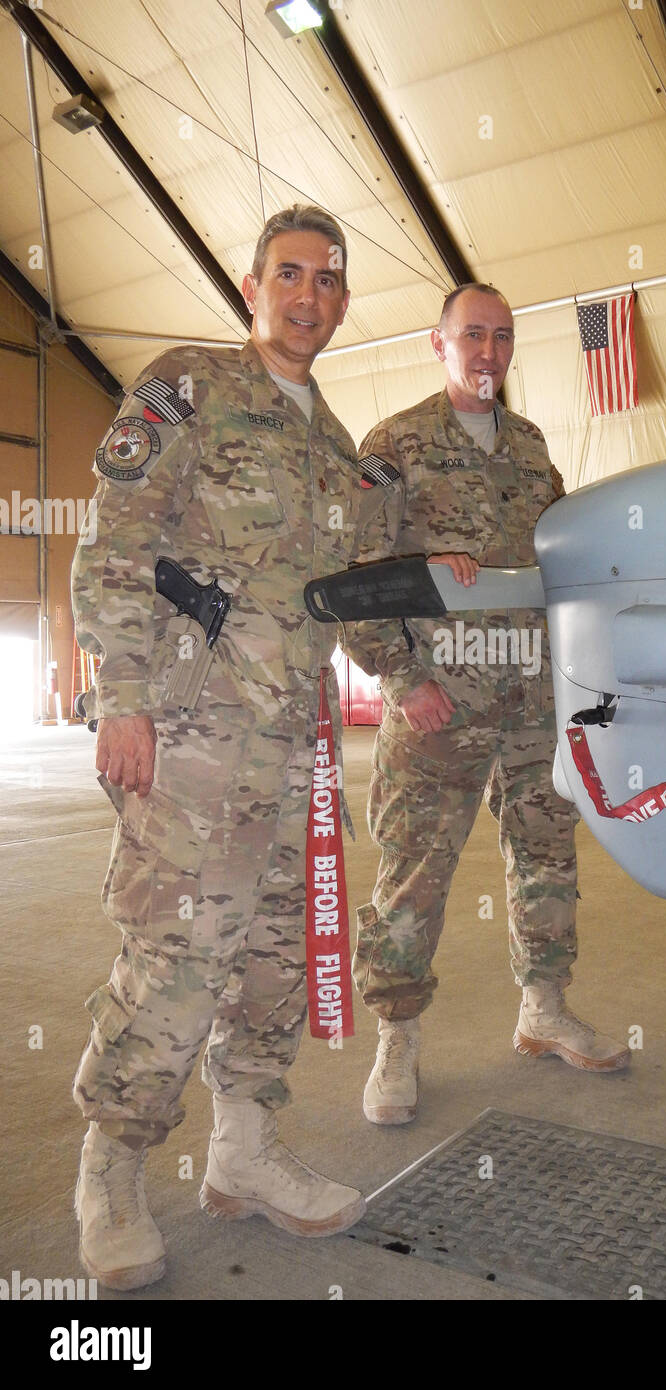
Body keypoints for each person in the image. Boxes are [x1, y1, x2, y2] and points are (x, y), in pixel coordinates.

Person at [71, 205, 365, 1290]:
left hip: (296, 744)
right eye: (289, 274)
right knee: (177, 955)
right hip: (190, 737)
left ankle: (244, 1152)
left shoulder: (336, 445)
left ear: (341, 298)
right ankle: (113, 1164)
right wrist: (121, 700)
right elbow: (114, 543)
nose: (309, 296)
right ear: (253, 287)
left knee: (273, 955)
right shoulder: (190, 385)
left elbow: (354, 596)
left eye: (328, 280)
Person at [343, 283, 629, 1126]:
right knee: (414, 874)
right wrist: (401, 679)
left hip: (529, 699)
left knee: (545, 851)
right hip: (439, 700)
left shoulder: (533, 448)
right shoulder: (393, 443)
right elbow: (358, 577)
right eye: (472, 335)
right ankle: (397, 1040)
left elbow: (563, 564)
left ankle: (543, 1008)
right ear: (439, 344)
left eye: (502, 337)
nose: (488, 353)